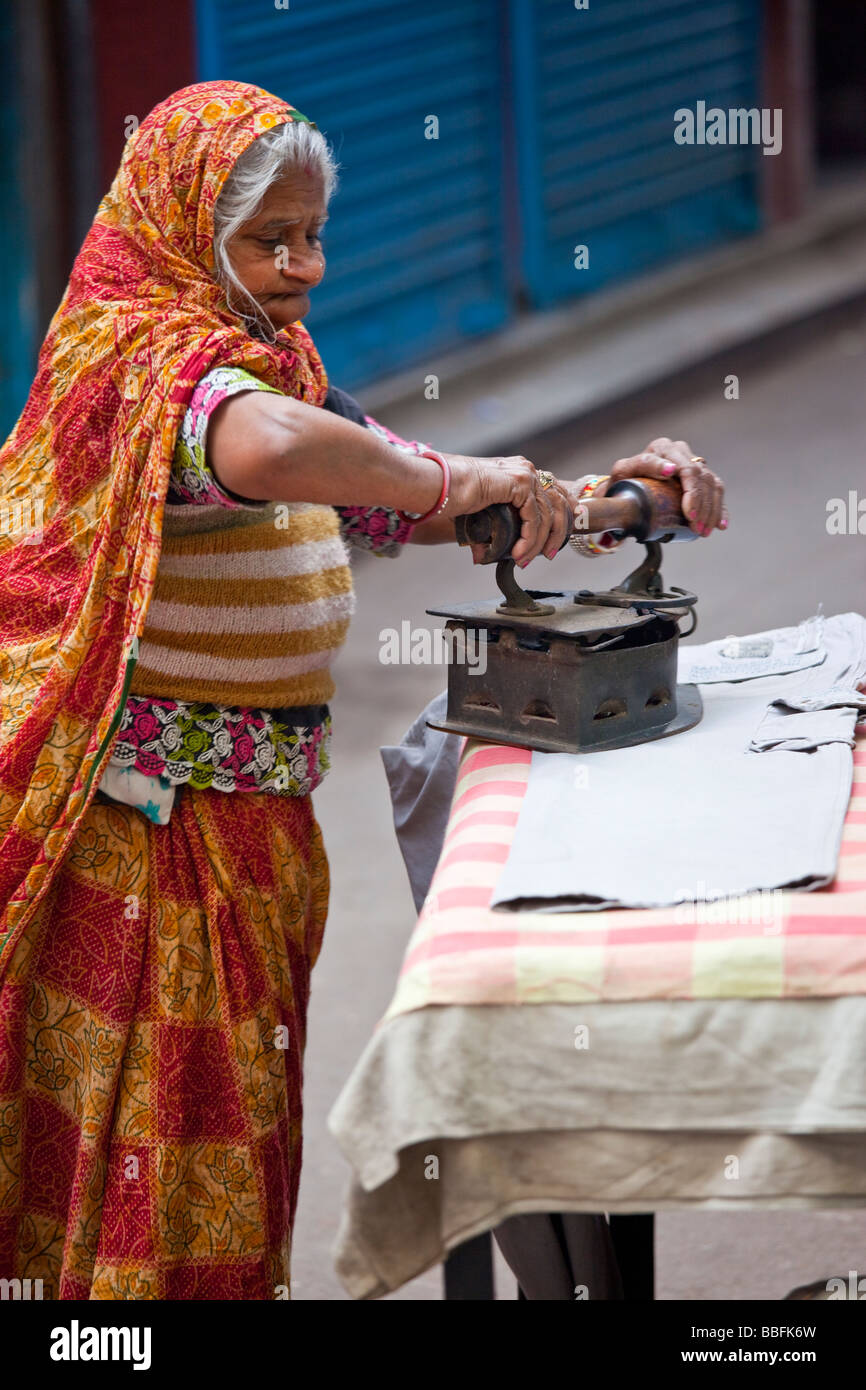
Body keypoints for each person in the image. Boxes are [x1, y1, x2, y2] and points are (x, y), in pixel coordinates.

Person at [0, 80, 726, 1300]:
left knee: (218, 1158)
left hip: (250, 830)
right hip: (145, 841)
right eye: (266, 241)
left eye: (313, 236)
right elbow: (281, 452)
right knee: (154, 1184)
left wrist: (610, 498)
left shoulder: (264, 358)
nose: (301, 268)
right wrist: (451, 476)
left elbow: (412, 491)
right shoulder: (138, 360)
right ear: (183, 228)